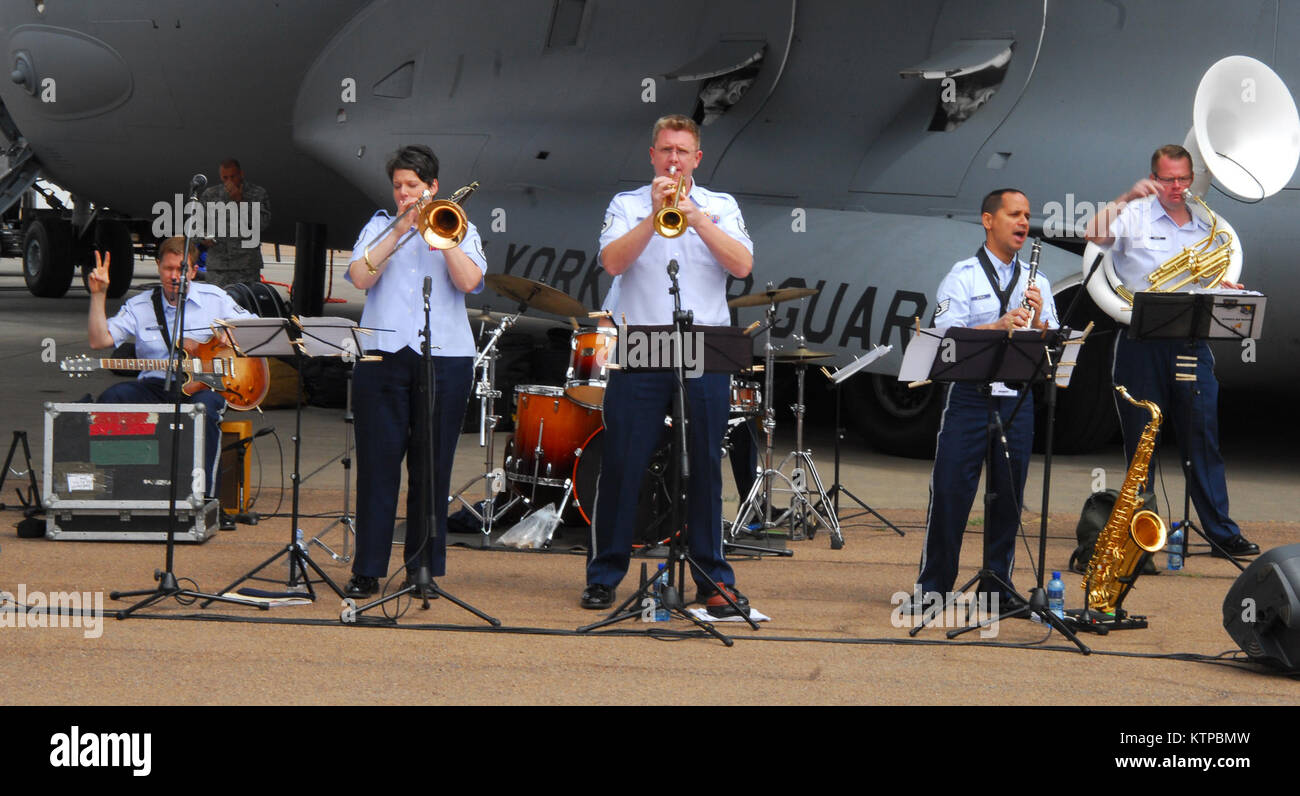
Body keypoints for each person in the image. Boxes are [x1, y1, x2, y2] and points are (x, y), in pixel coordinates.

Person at [582, 114, 754, 614]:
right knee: (623, 463)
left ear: (697, 158)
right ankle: (604, 574)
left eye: (682, 151)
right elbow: (612, 263)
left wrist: (697, 218)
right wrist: (651, 216)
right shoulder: (627, 204)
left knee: (703, 464)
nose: (673, 159)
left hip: (703, 346)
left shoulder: (721, 206)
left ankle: (711, 576)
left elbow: (742, 266)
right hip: (640, 343)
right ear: (652, 156)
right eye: (665, 151)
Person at [1084, 144, 1258, 559]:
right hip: (1140, 342)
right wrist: (1127, 196)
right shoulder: (1134, 214)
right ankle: (1139, 533)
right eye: (1168, 179)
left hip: (1191, 342)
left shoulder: (1206, 222)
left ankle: (1220, 531)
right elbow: (1092, 234)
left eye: (1183, 179)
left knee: (1203, 438)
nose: (1177, 187)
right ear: (1154, 178)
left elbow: (1208, 274)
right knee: (1142, 441)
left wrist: (1223, 287)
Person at [342, 145, 486, 598]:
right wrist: (401, 228)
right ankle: (368, 568)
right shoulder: (378, 226)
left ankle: (423, 568)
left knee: (432, 468)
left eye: (414, 187)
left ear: (433, 188)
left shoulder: (460, 226)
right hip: (382, 355)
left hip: (444, 357)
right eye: (399, 187)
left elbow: (469, 282)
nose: (406, 194)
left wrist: (441, 240)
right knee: (378, 466)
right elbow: (360, 278)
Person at [912, 188, 1058, 612]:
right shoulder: (962, 276)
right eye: (1014, 214)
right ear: (988, 220)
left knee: (1007, 499)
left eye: (1027, 216)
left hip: (1016, 400)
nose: (1023, 223)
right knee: (952, 493)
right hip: (970, 400)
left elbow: (1053, 346)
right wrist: (998, 325)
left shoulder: (1040, 282)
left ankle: (997, 589)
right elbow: (944, 341)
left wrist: (1040, 320)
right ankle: (933, 588)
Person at [86, 236, 254, 496]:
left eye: (182, 269)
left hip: (203, 386)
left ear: (194, 271)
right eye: (169, 268)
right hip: (155, 384)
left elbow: (256, 329)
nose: (175, 275)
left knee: (205, 409)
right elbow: (99, 341)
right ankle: (120, 490)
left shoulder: (215, 298)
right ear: (158, 267)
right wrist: (99, 295)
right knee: (113, 398)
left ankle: (204, 499)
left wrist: (231, 335)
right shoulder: (140, 305)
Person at [200, 159, 271, 286]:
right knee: (215, 303)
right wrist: (204, 237)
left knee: (244, 303)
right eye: (225, 177)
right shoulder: (211, 195)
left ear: (241, 174)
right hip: (218, 266)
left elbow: (262, 224)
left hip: (246, 267)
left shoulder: (257, 194)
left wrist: (240, 201)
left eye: (233, 176)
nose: (229, 181)